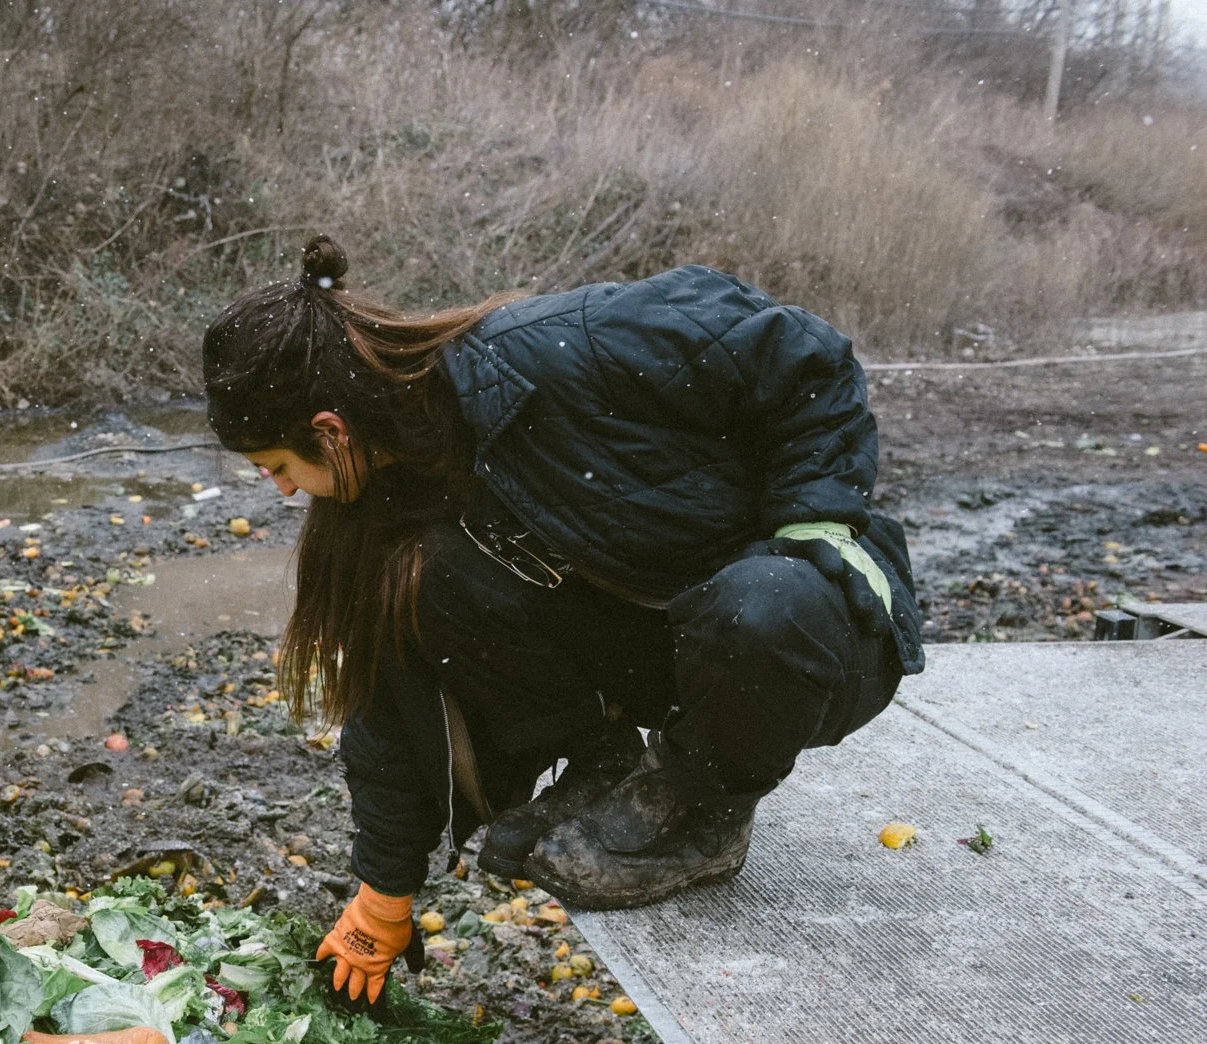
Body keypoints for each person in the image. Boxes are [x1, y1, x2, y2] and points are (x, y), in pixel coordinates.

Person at [201, 237, 924, 1004]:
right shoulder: (383, 491)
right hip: (666, 638)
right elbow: (386, 698)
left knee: (758, 607)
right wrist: (383, 897)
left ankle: (704, 810)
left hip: (806, 621)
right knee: (425, 580)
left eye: (277, 468)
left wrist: (815, 522)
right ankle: (602, 764)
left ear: (329, 429)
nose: (284, 491)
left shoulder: (561, 346)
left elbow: (803, 351)